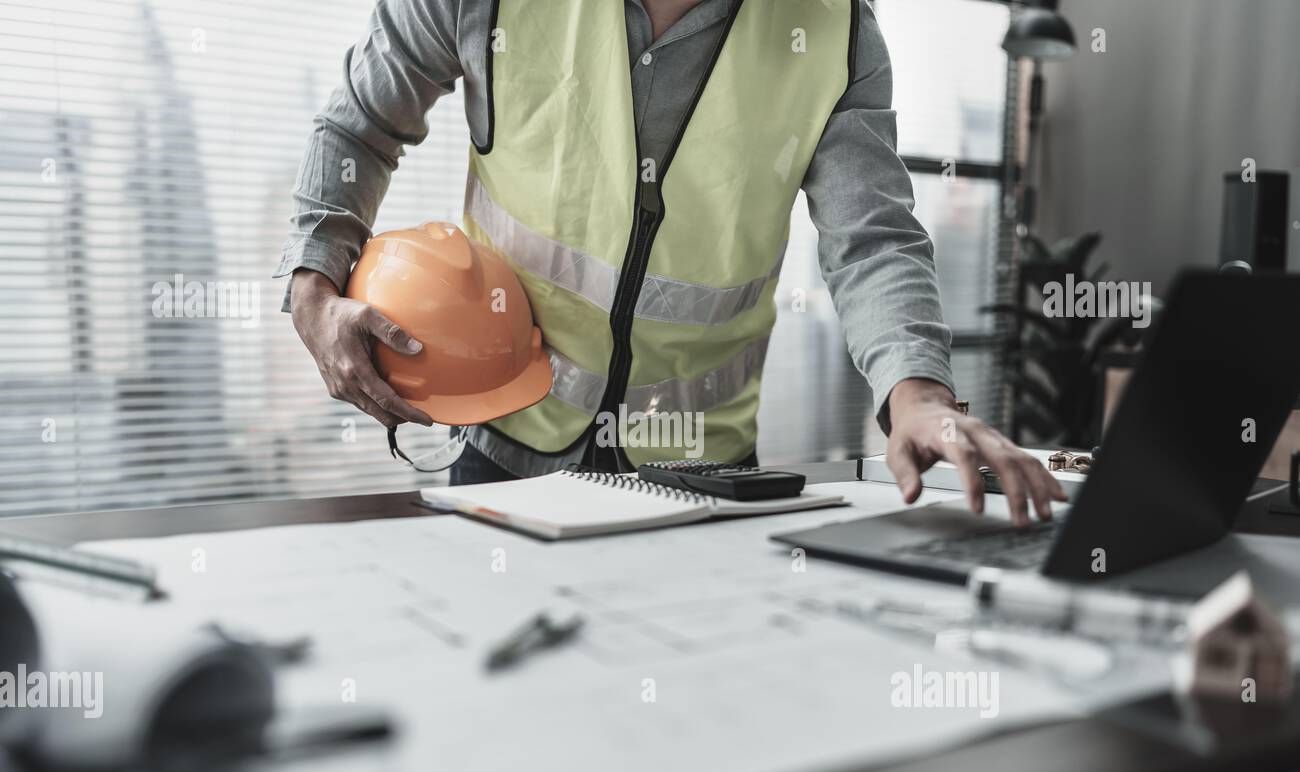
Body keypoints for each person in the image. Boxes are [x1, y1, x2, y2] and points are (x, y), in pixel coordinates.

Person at [278, 0, 1065, 526]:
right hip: (505, 451)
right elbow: (359, 127)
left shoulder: (832, 28)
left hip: (702, 477)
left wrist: (919, 396)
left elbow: (872, 236)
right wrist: (315, 291)